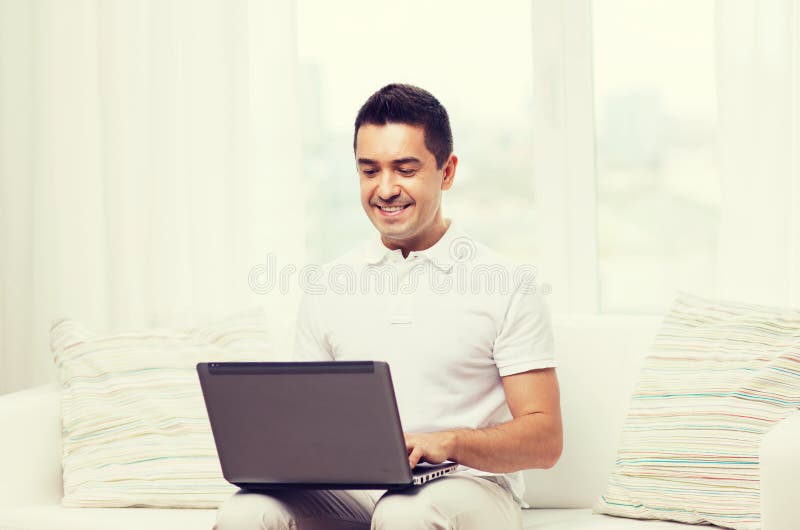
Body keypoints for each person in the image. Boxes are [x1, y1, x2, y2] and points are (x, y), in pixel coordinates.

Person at [214, 83, 563, 530]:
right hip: (354, 491)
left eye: (405, 168)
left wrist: (449, 442)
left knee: (403, 514)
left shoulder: (508, 284)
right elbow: (307, 423)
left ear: (447, 171)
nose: (385, 188)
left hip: (470, 485)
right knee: (246, 512)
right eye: (370, 170)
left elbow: (545, 439)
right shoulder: (326, 287)